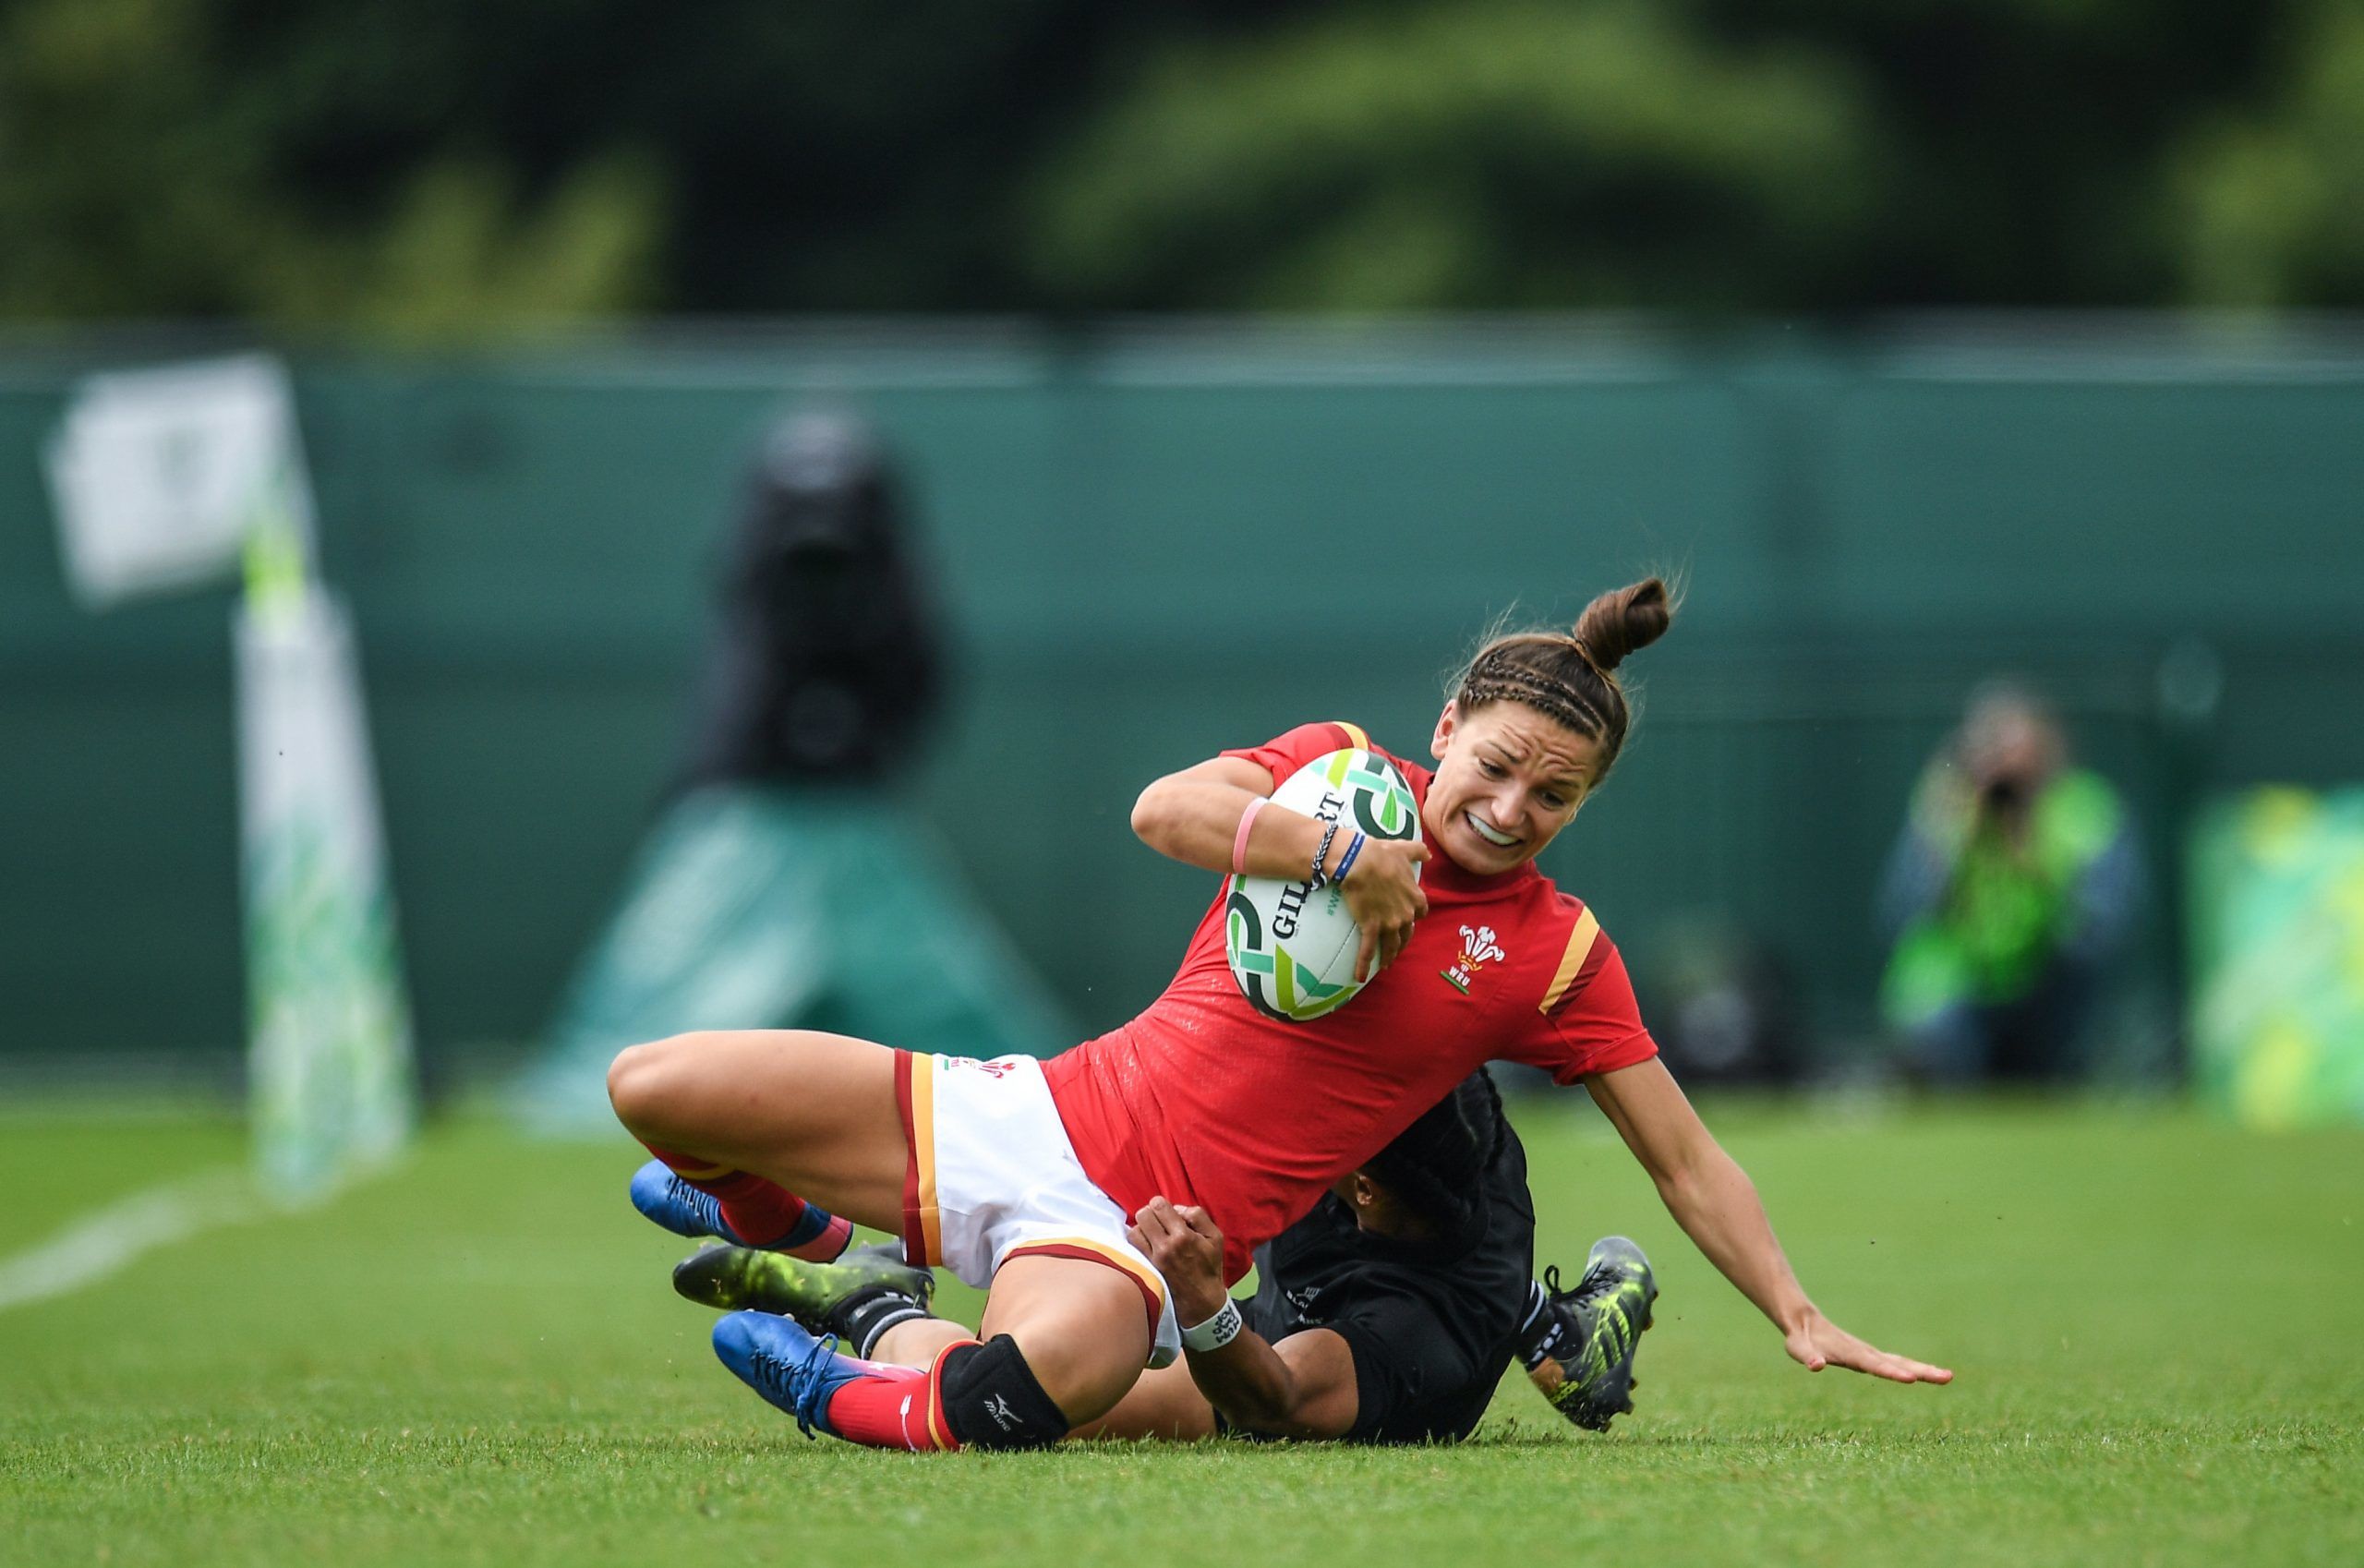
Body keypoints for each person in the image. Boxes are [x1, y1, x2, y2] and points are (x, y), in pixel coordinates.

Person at [606, 576, 1952, 1453]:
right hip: (1030, 1108)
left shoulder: (1557, 952)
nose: (1511, 809)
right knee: (653, 1085)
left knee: (1022, 1397)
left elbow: (1684, 1155)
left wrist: (1796, 1305)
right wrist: (1333, 855)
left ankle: (821, 1365)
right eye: (1496, 768)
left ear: (1583, 805)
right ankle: (796, 1221)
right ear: (1448, 724)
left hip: (1133, 1244)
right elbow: (1158, 810)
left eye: (1556, 798)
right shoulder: (1340, 773)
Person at [514, 409, 1068, 1132]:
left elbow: (915, 680)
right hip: (755, 797)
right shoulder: (761, 602)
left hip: (834, 806)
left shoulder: (877, 599)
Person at [660, 1072, 1661, 1444]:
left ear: (1357, 1189)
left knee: (1052, 1403)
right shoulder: (1425, 1100)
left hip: (1310, 1355)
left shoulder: (1411, 1342)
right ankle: (1564, 1335)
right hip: (1375, 1283)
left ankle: (867, 1300)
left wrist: (1200, 1306)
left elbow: (1273, 1395)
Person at [1878, 682, 2144, 1084]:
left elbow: (2106, 927)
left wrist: (2033, 857)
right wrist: (1950, 844)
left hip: (2046, 983)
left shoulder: (2083, 810)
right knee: (1937, 1024)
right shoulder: (1946, 808)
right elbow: (1900, 914)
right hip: (1961, 985)